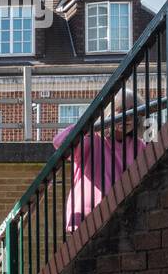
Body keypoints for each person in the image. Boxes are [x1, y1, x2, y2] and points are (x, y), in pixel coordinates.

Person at [56, 89, 146, 233]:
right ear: (109, 114)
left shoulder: (139, 146)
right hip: (87, 217)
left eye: (132, 111)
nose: (127, 117)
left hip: (122, 218)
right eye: (121, 110)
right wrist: (90, 125)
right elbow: (60, 142)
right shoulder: (92, 140)